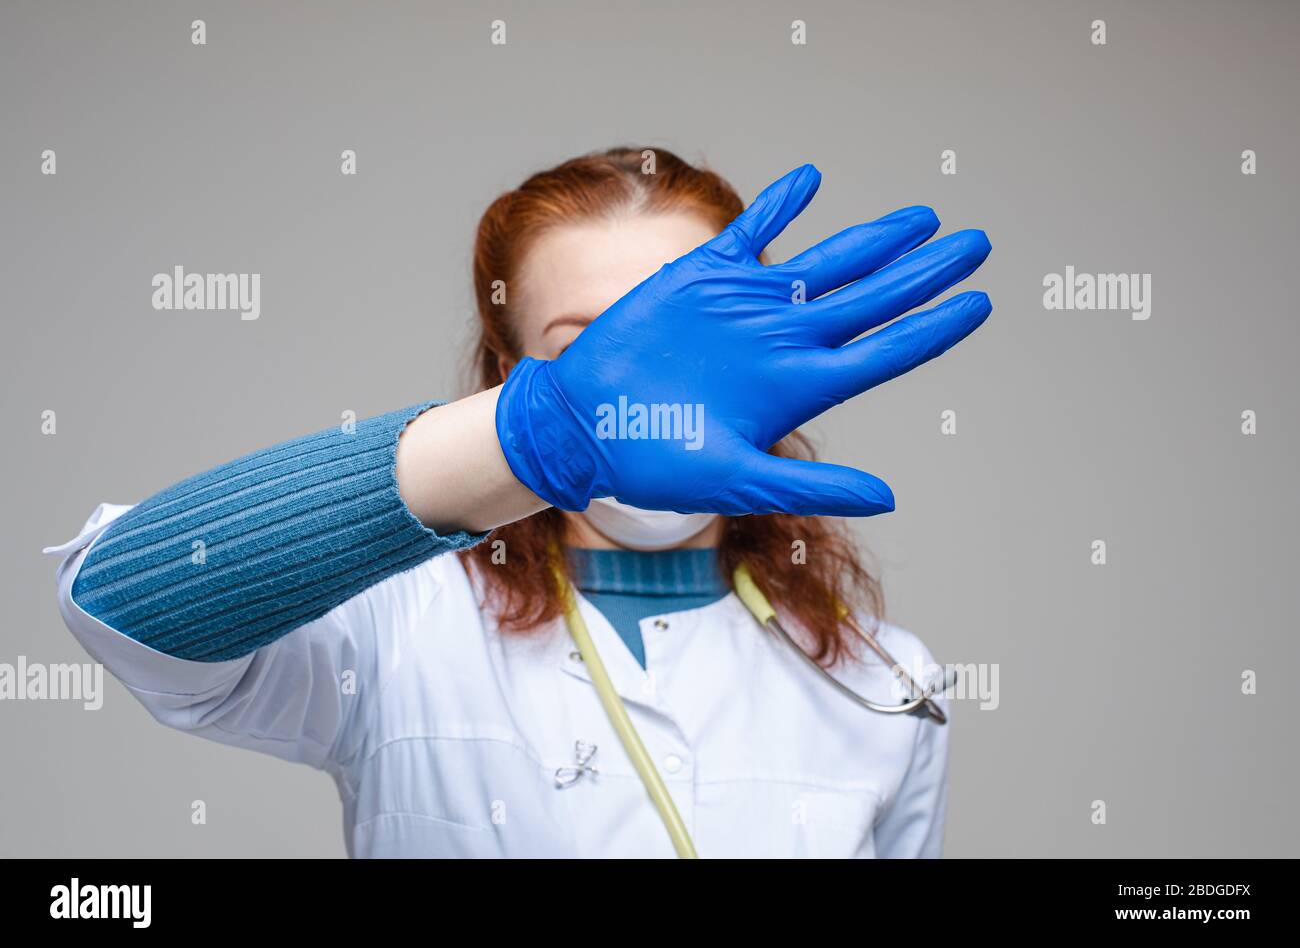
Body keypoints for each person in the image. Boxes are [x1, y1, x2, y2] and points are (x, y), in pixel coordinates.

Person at [46, 147, 992, 857]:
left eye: (691, 354)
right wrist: (535, 436)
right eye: (587, 352)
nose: (656, 398)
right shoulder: (398, 624)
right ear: (509, 372)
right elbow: (123, 599)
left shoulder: (883, 681)